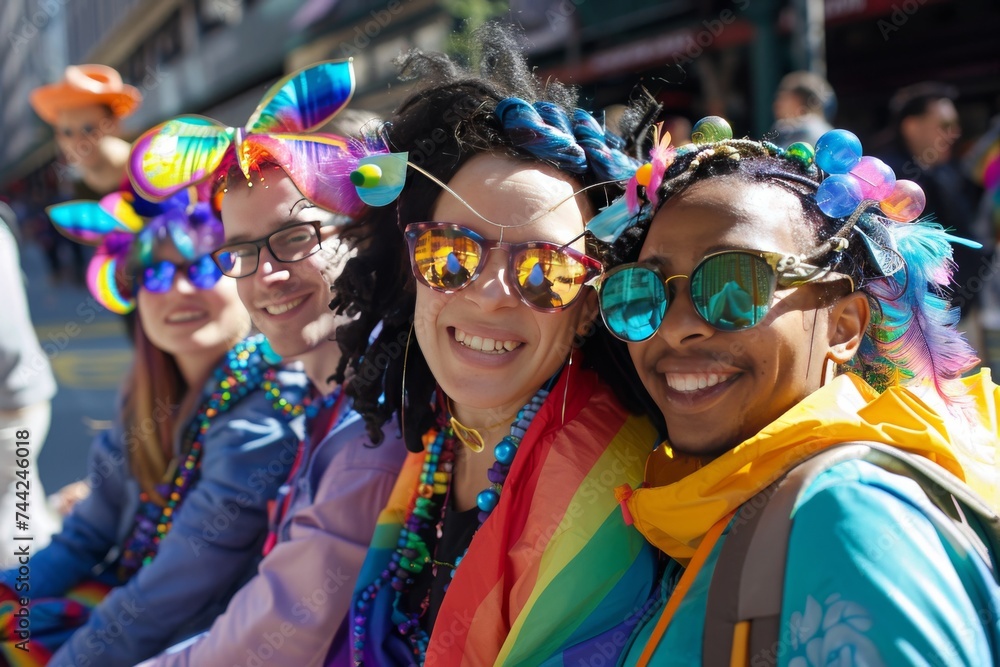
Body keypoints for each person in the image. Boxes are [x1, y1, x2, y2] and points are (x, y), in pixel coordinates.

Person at [591, 118, 1000, 664]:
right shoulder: (698, 508)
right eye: (643, 291)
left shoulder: (845, 516)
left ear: (843, 327)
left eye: (737, 282)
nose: (676, 325)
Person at [333, 24, 661, 666]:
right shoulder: (437, 436)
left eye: (546, 270)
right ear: (412, 268)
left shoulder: (613, 499)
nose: (489, 295)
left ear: (589, 306)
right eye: (452, 254)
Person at [128, 60, 408, 666]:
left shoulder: (374, 424)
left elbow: (270, 636)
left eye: (296, 237)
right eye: (240, 252)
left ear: (360, 234)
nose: (267, 275)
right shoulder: (324, 394)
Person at [0, 187, 306, 666]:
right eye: (157, 274)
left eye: (203, 266)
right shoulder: (146, 402)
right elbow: (83, 538)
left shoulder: (268, 407)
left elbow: (169, 594)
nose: (179, 289)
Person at [875, 82, 989, 326]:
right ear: (912, 126)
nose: (955, 133)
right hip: (913, 325)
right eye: (945, 125)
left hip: (957, 315)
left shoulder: (946, 171)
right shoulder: (888, 180)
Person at [0, 202, 59, 567]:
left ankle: (22, 602)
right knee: (21, 503)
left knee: (15, 518)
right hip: (18, 394)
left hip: (13, 403)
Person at [30, 64, 141, 198]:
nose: (78, 142)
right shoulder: (74, 192)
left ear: (114, 124)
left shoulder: (150, 168)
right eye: (67, 132)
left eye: (88, 129)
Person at [770, 70, 835, 148]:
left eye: (783, 98)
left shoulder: (798, 131)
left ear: (798, 100)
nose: (777, 104)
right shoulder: (827, 132)